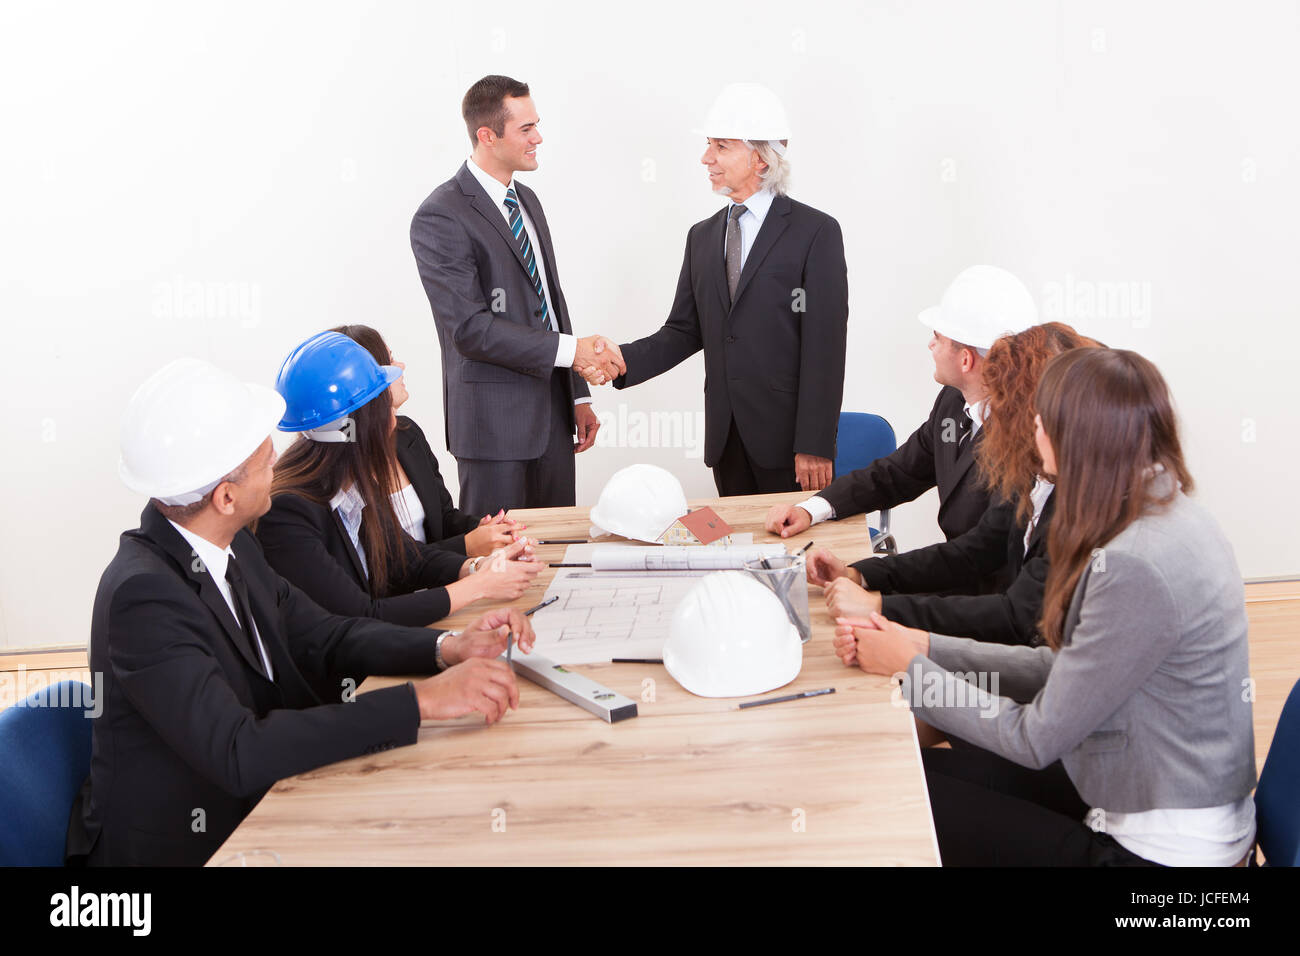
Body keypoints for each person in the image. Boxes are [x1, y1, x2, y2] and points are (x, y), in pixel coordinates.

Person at [67, 358, 533, 866]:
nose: (278, 464)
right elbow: (239, 751)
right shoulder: (145, 599)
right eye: (264, 462)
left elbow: (327, 635)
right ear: (226, 497)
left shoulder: (231, 548)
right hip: (193, 846)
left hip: (265, 803)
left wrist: (447, 648)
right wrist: (419, 702)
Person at [832, 348, 1257, 866]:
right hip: (1132, 782)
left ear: (1077, 439)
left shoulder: (1136, 563)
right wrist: (922, 645)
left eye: (1040, 421)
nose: (1030, 430)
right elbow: (1061, 669)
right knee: (904, 766)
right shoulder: (1169, 516)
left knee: (898, 794)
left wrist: (911, 669)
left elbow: (1034, 737)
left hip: (1156, 853)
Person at [588, 83, 848, 496]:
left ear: (761, 159)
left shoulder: (815, 233)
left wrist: (814, 443)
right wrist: (622, 360)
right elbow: (683, 331)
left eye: (721, 146)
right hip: (727, 441)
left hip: (790, 446)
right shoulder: (703, 237)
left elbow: (825, 345)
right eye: (709, 145)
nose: (706, 158)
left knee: (793, 557)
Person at [806, 323, 1099, 646]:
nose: (999, 416)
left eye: (1007, 402)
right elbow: (974, 551)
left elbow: (1015, 618)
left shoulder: (1079, 508)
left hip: (1010, 645)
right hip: (988, 621)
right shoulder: (1037, 475)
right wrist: (860, 574)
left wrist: (881, 609)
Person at [410, 74, 621, 516]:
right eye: (526, 129)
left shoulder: (527, 200)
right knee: (500, 565)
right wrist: (573, 351)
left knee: (556, 556)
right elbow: (471, 330)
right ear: (487, 135)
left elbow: (549, 302)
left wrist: (577, 395)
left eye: (536, 125)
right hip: (493, 431)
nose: (538, 137)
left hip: (554, 420)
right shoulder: (440, 215)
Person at [255, 331, 541, 629]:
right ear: (364, 422)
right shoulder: (287, 512)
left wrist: (479, 566)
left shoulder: (350, 485)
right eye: (383, 403)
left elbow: (405, 560)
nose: (393, 416)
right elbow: (361, 617)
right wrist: (479, 585)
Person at [766, 265, 1038, 556]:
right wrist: (812, 509)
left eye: (938, 336)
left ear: (966, 360)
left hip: (983, 592)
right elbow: (896, 474)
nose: (930, 344)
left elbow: (976, 559)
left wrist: (865, 577)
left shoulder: (1024, 440)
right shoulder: (953, 403)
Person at [331, 324, 523, 558]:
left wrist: (489, 529)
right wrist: (468, 545)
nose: (401, 367)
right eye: (390, 362)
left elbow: (443, 518)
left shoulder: (408, 433)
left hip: (442, 580)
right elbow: (390, 565)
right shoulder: (342, 468)